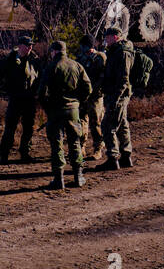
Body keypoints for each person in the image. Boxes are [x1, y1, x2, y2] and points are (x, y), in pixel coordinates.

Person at [39, 41, 93, 190]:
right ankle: (78, 177)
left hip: (56, 110)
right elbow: (88, 88)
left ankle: (59, 179)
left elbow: (41, 93)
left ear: (54, 52)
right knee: (75, 141)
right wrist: (78, 102)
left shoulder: (51, 67)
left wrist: (47, 108)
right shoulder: (76, 65)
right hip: (73, 110)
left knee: (57, 144)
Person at [0, 35, 40, 163]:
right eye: (27, 45)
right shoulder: (9, 60)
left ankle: (25, 153)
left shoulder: (35, 59)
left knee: (28, 128)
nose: (30, 47)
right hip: (15, 99)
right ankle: (4, 155)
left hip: (30, 100)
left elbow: (41, 78)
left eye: (31, 45)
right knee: (10, 128)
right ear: (20, 46)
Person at [97, 26, 136, 171]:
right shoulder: (117, 51)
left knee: (108, 125)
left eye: (107, 37)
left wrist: (114, 99)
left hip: (118, 94)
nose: (106, 40)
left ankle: (113, 158)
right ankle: (126, 156)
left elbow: (123, 79)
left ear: (115, 37)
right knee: (122, 124)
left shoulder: (123, 53)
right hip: (117, 94)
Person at [76, 38, 108, 161]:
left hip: (95, 96)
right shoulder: (80, 58)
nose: (83, 49)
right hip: (83, 96)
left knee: (96, 123)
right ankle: (81, 147)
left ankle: (98, 148)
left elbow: (103, 77)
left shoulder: (100, 58)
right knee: (81, 121)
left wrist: (94, 90)